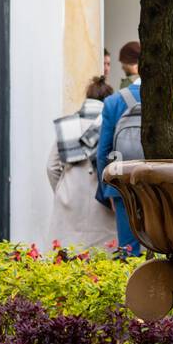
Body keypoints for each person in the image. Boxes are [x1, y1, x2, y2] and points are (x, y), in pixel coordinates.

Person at [47, 77, 117, 250]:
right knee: (102, 262)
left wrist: (63, 190)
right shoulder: (112, 126)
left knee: (67, 261)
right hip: (101, 202)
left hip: (70, 201)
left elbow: (52, 166)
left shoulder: (68, 124)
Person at [96, 42, 143, 256]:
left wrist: (107, 191)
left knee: (128, 249)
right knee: (162, 247)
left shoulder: (113, 102)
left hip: (122, 183)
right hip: (159, 183)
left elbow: (103, 150)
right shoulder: (172, 100)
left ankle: (128, 287)